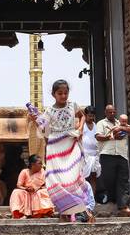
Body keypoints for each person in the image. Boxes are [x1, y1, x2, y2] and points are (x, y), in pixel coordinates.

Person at [27, 80, 95, 223]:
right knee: (58, 181)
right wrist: (35, 120)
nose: (63, 96)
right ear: (53, 94)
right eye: (60, 93)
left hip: (71, 143)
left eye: (66, 93)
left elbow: (82, 116)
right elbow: (45, 131)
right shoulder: (49, 111)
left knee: (74, 178)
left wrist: (80, 129)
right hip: (55, 147)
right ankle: (65, 211)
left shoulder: (73, 105)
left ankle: (84, 209)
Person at [95, 103, 130, 216]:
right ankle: (112, 199)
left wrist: (123, 128)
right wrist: (111, 136)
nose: (112, 114)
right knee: (109, 179)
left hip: (122, 155)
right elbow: (98, 136)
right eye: (110, 112)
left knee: (123, 180)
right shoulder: (101, 123)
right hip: (107, 154)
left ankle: (123, 206)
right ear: (105, 112)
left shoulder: (121, 123)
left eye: (113, 112)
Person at [9, 155, 54, 219]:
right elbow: (19, 185)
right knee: (16, 192)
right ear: (33, 164)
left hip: (37, 191)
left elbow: (45, 185)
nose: (42, 165)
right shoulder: (24, 172)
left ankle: (43, 213)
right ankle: (22, 214)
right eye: (40, 163)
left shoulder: (43, 172)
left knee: (43, 192)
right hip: (26, 191)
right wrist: (26, 189)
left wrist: (37, 188)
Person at [79, 107, 101, 189]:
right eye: (89, 116)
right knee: (83, 177)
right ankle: (84, 199)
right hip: (84, 155)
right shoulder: (82, 126)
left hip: (95, 155)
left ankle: (93, 200)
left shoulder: (96, 126)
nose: (91, 118)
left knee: (93, 176)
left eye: (92, 116)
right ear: (85, 115)